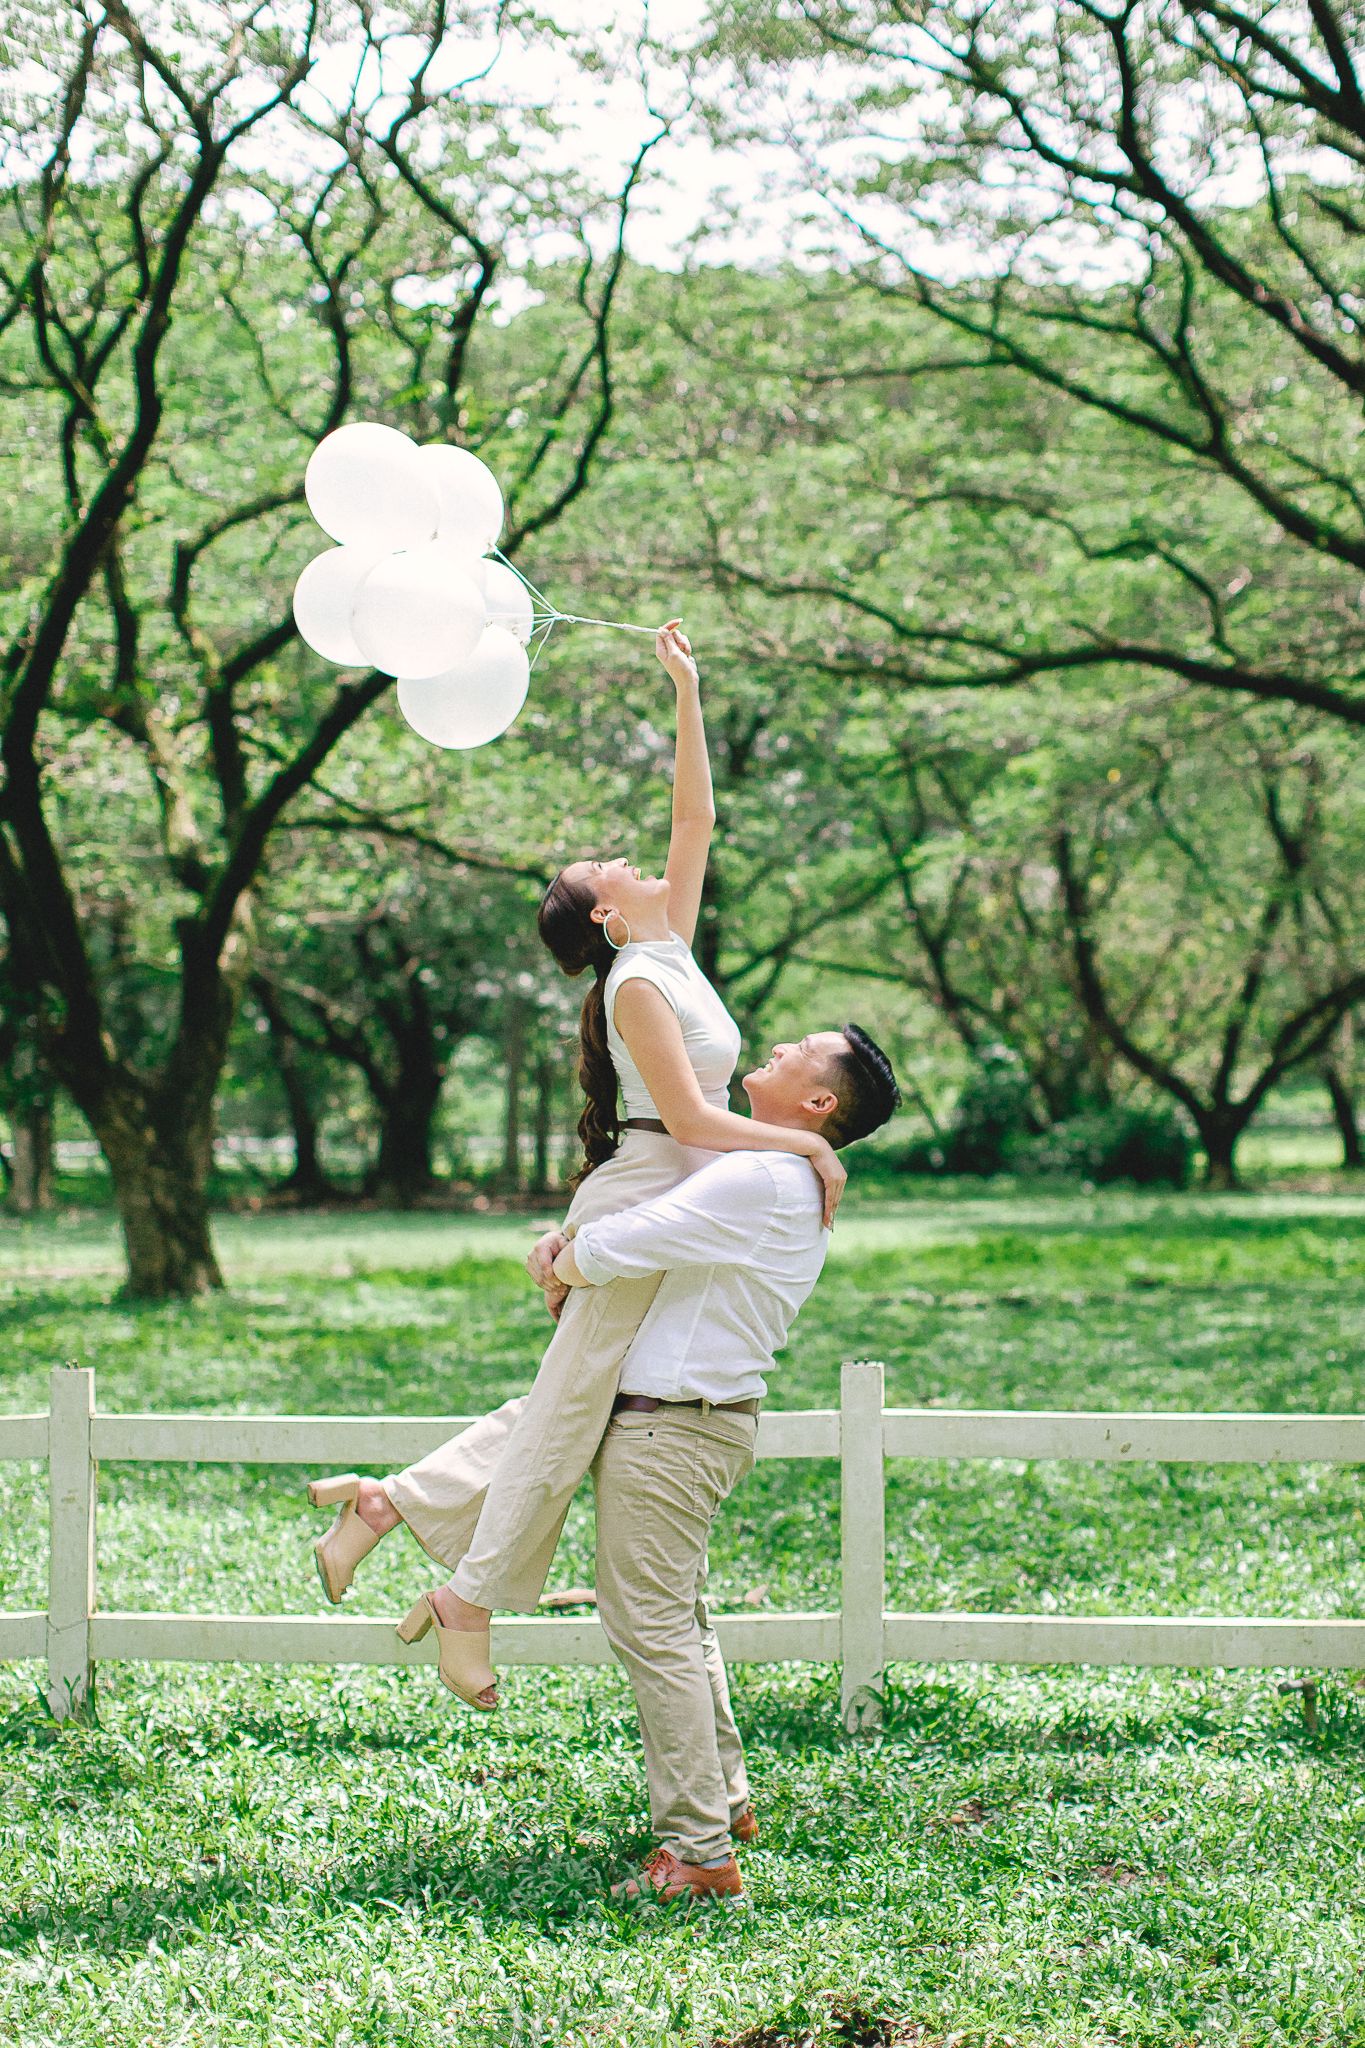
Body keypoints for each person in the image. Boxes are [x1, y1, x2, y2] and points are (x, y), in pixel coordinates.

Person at [305, 621, 847, 1708]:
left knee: (574, 1398)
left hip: (661, 1187)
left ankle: (392, 1504)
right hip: (647, 1184)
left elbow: (696, 819)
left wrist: (686, 688)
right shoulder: (635, 983)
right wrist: (803, 1141)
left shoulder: (668, 949)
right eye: (609, 867)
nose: (633, 857)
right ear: (606, 910)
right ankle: (466, 1597)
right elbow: (688, 1116)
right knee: (568, 1414)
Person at [547, 1022, 902, 1902]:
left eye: (799, 1050)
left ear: (817, 1101)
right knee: (679, 1620)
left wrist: (563, 1257)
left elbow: (619, 1244)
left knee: (651, 1629)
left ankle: (698, 1853)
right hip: (693, 1423)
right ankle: (725, 1804)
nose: (776, 1045)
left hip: (670, 1429)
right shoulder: (777, 1168)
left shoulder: (761, 1177)